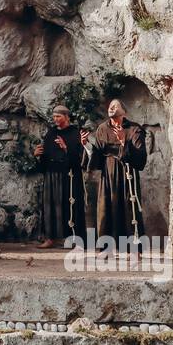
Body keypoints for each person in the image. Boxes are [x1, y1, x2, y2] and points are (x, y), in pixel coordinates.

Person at [82, 99, 148, 241]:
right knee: (105, 209)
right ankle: (107, 248)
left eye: (115, 105)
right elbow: (98, 155)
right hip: (108, 173)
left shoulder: (134, 129)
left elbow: (141, 156)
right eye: (110, 106)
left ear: (124, 112)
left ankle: (134, 249)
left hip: (127, 173)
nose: (111, 107)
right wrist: (87, 145)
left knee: (130, 209)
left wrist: (124, 142)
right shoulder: (102, 129)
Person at [33, 105, 86, 247]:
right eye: (54, 116)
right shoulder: (51, 133)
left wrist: (65, 148)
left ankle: (71, 239)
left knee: (68, 206)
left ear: (67, 117)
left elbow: (80, 157)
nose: (55, 119)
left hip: (68, 176)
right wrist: (37, 155)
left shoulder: (75, 133)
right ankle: (50, 238)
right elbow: (46, 154)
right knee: (50, 206)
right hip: (51, 174)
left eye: (59, 116)